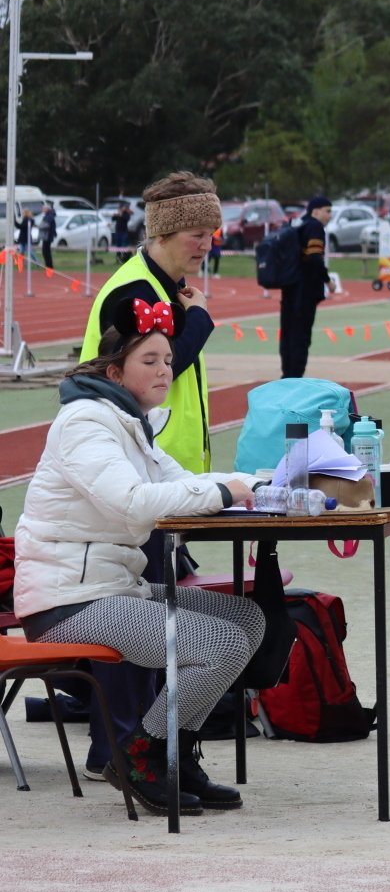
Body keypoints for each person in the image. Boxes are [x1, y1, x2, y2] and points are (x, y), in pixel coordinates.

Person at [15, 311, 264, 815]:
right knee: (221, 644)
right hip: (68, 601)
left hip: (109, 588)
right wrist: (223, 490)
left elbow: (183, 483)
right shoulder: (84, 424)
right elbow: (134, 502)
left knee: (247, 618)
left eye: (168, 361)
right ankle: (141, 755)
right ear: (114, 372)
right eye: (149, 360)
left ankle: (175, 754)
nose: (164, 370)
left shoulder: (131, 426)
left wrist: (258, 483)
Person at [74, 171, 225, 782]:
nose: (207, 242)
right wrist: (200, 324)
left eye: (212, 231)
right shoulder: (134, 292)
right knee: (139, 619)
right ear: (164, 230)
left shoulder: (166, 288)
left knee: (153, 615)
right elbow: (151, 370)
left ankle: (127, 747)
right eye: (197, 231)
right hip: (134, 479)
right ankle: (120, 750)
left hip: (164, 474)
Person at [280, 196, 330, 378]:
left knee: (288, 335)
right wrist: (328, 280)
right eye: (328, 211)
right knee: (301, 337)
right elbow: (315, 257)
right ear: (315, 211)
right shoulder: (315, 227)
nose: (329, 216)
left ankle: (287, 376)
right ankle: (296, 378)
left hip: (289, 288)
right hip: (306, 291)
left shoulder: (296, 225)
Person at [39, 202, 56, 272]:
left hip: (47, 236)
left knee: (46, 252)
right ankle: (48, 266)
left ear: (47, 209)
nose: (42, 209)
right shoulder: (48, 215)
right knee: (46, 251)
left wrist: (40, 226)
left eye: (43, 208)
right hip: (47, 236)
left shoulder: (49, 216)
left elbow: (46, 225)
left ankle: (49, 266)